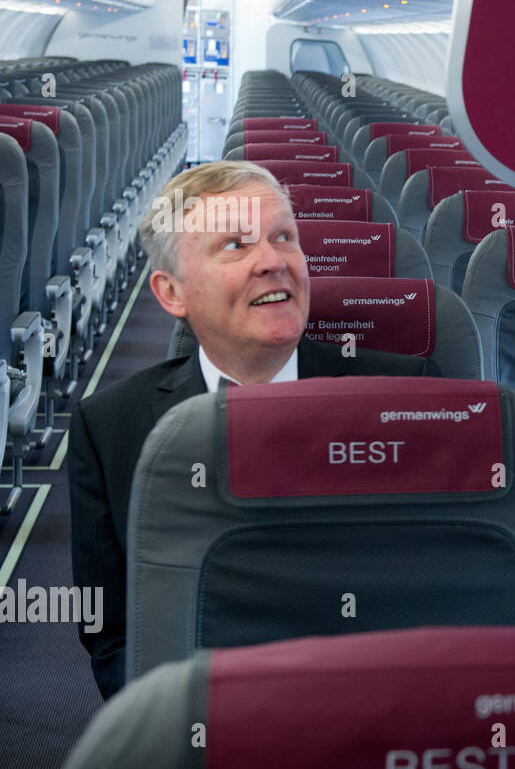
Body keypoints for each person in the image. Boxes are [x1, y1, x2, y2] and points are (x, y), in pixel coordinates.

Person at [68, 162, 435, 700]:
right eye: (235, 246)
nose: (272, 262)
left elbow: (437, 591)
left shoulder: (405, 397)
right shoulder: (110, 427)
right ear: (173, 293)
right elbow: (113, 633)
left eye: (284, 237)